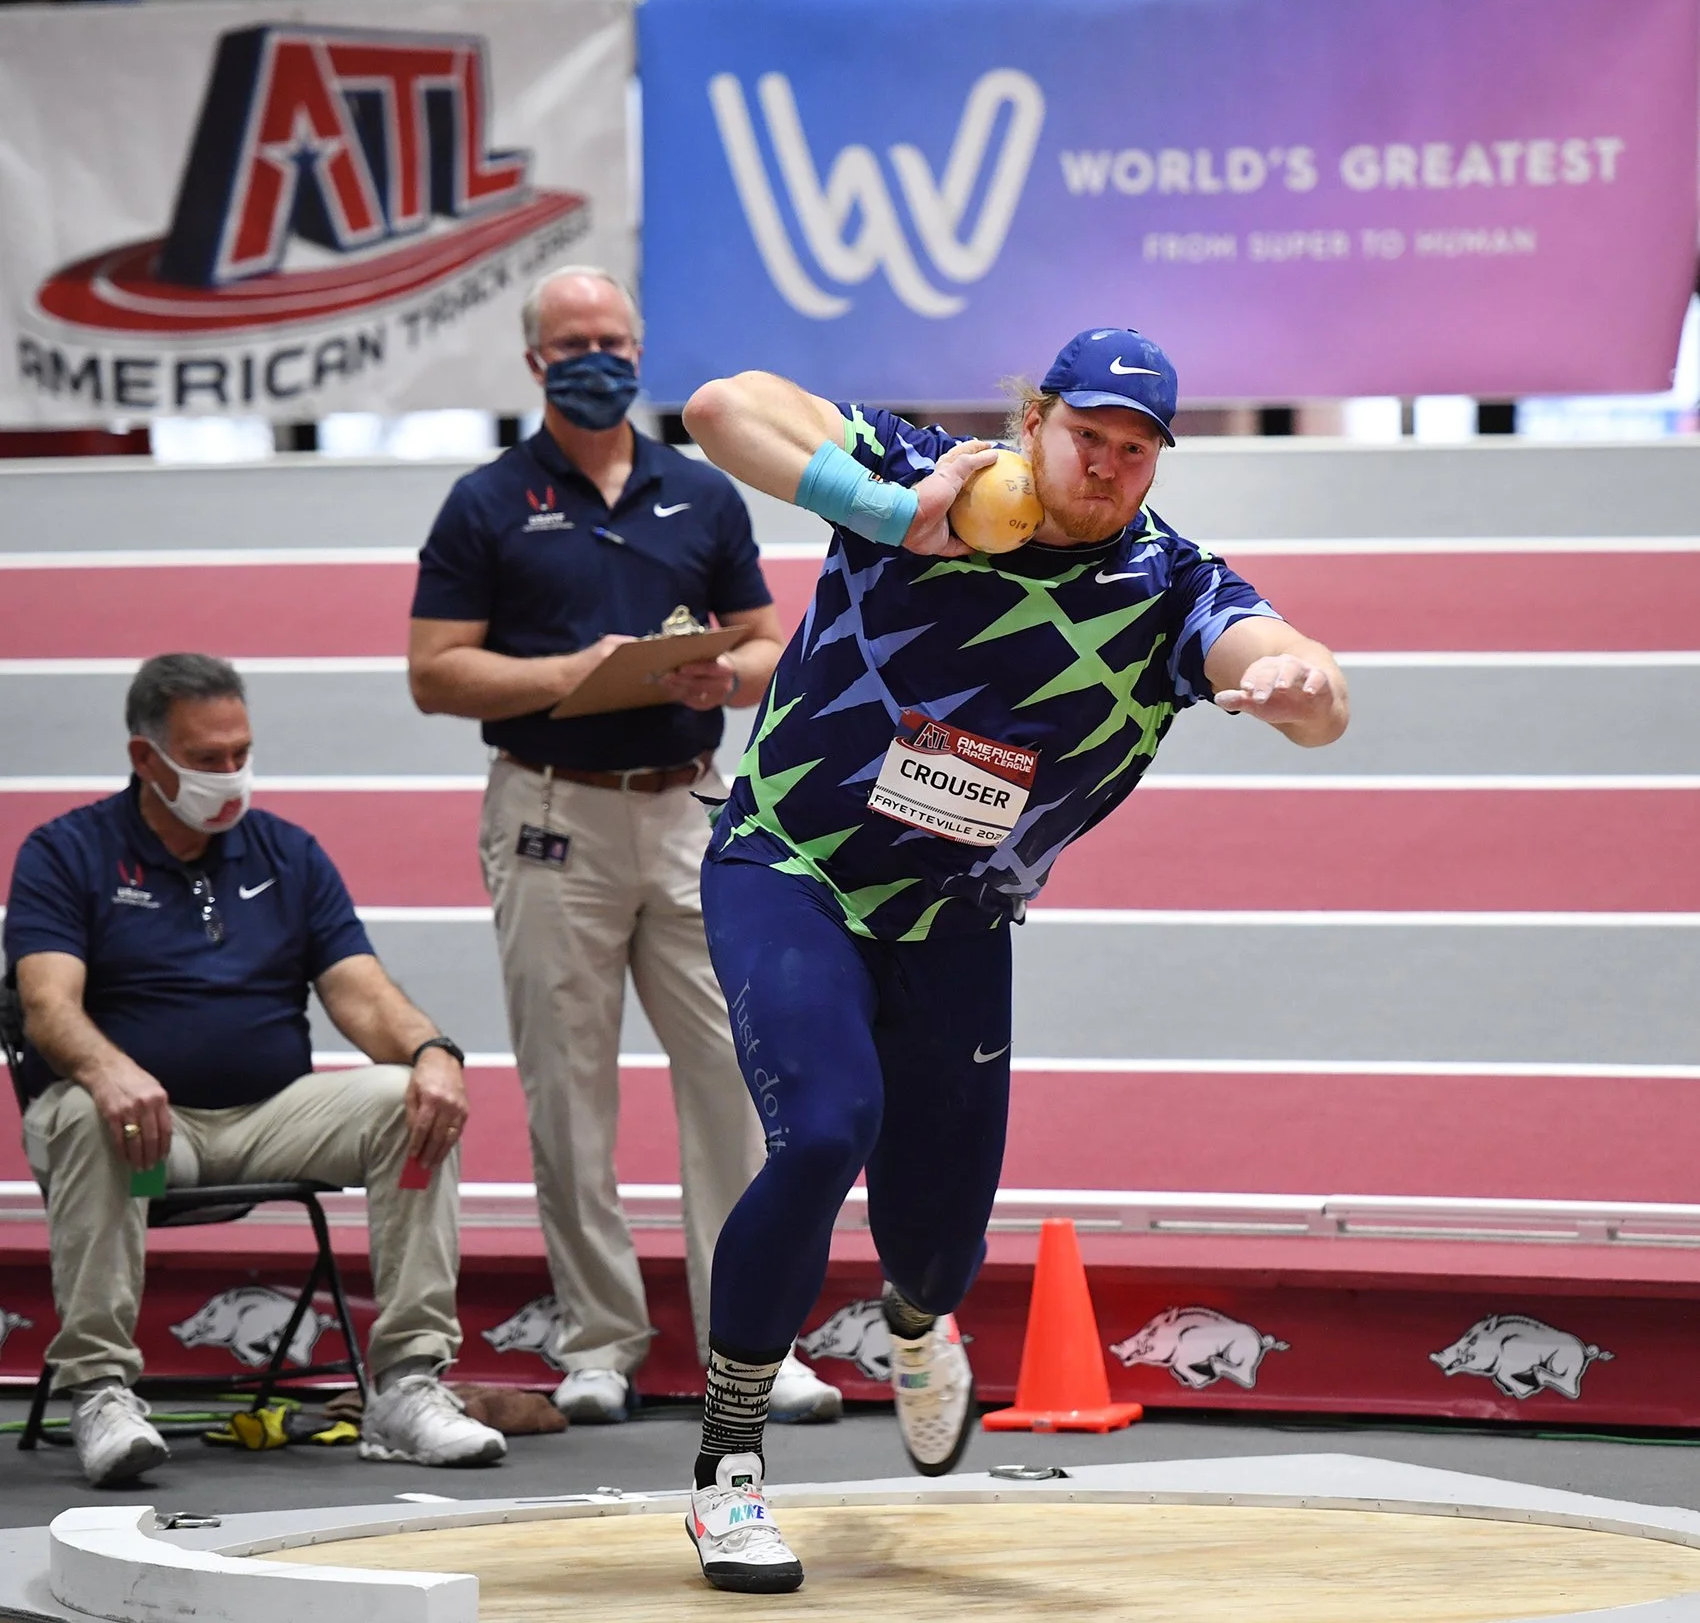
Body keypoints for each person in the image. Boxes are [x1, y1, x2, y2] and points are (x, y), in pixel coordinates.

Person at [675, 327, 1351, 1592]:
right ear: (1033, 420)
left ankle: (918, 1328)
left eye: (1133, 451)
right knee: (825, 1130)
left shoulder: (1165, 585)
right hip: (790, 869)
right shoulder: (925, 474)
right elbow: (721, 404)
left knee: (936, 1244)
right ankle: (728, 1467)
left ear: (1156, 466)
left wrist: (1293, 684)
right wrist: (888, 512)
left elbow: (1306, 690)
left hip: (954, 923)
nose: (1103, 466)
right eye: (1085, 434)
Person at [407, 264, 841, 1424]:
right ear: (536, 361)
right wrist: (578, 675)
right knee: (567, 1087)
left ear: (640, 350)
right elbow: (434, 671)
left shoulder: (699, 496)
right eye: (573, 341)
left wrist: (722, 671)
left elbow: (768, 646)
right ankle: (597, 1338)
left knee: (735, 1082)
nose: (598, 356)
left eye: (614, 338)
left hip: (690, 808)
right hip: (551, 812)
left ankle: (752, 1344)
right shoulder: (486, 501)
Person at [3, 653, 506, 1488]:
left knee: (408, 1103)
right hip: (145, 1135)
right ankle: (99, 1390)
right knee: (100, 1113)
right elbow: (49, 1007)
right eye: (207, 759)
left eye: (241, 752)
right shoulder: (67, 853)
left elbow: (363, 995)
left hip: (270, 1116)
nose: (231, 775)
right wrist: (109, 1070)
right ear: (145, 759)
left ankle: (407, 1387)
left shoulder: (285, 852)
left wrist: (432, 1053)